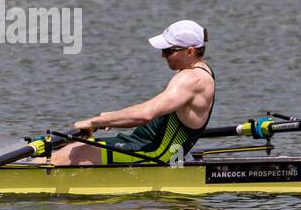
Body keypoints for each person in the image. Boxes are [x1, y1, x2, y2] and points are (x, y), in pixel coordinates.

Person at [49, 20, 216, 166]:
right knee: (62, 147)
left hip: (157, 153)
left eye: (168, 51)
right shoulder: (198, 71)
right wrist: (111, 117)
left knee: (69, 154)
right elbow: (151, 106)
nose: (162, 56)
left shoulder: (192, 79)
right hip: (145, 143)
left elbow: (145, 114)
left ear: (190, 51)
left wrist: (94, 121)